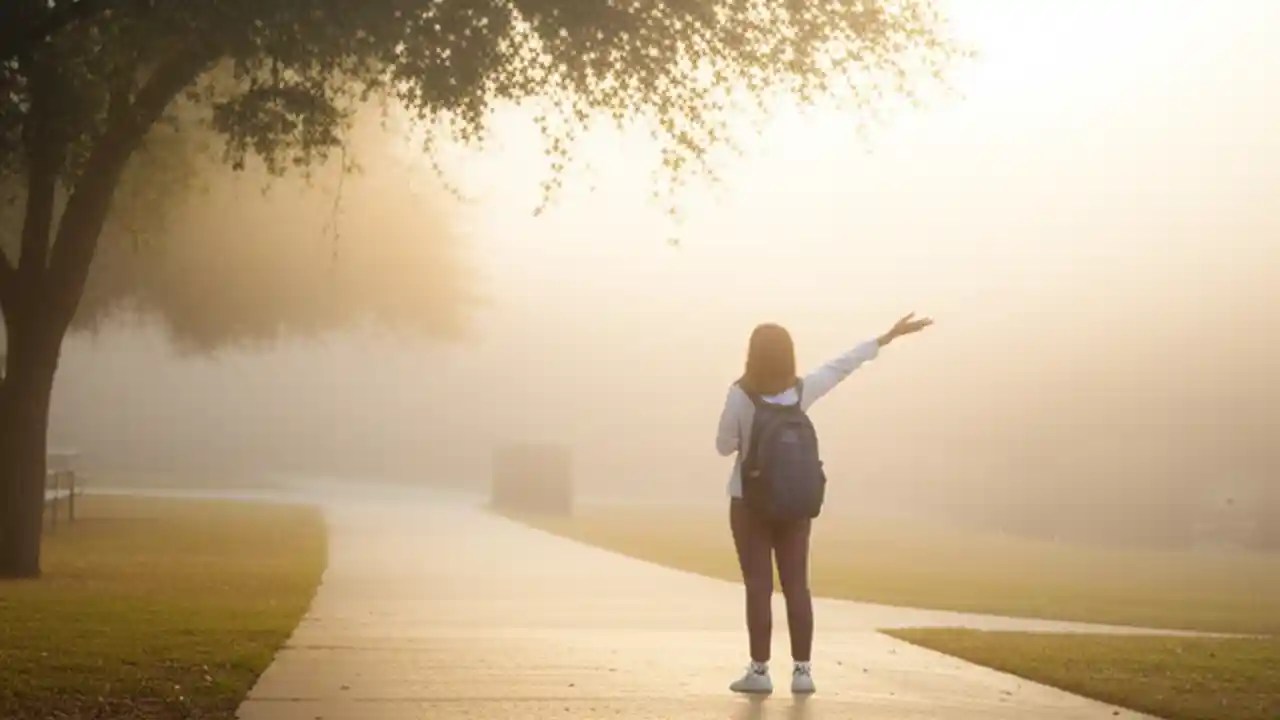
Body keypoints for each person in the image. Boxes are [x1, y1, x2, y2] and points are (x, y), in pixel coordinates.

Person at [716, 313, 933, 695]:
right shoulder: (801, 391)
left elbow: (723, 446)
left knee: (759, 586)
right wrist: (886, 338)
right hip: (796, 501)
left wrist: (747, 438)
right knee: (797, 584)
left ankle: (760, 671)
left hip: (749, 503)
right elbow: (842, 365)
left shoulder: (740, 393)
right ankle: (802, 672)